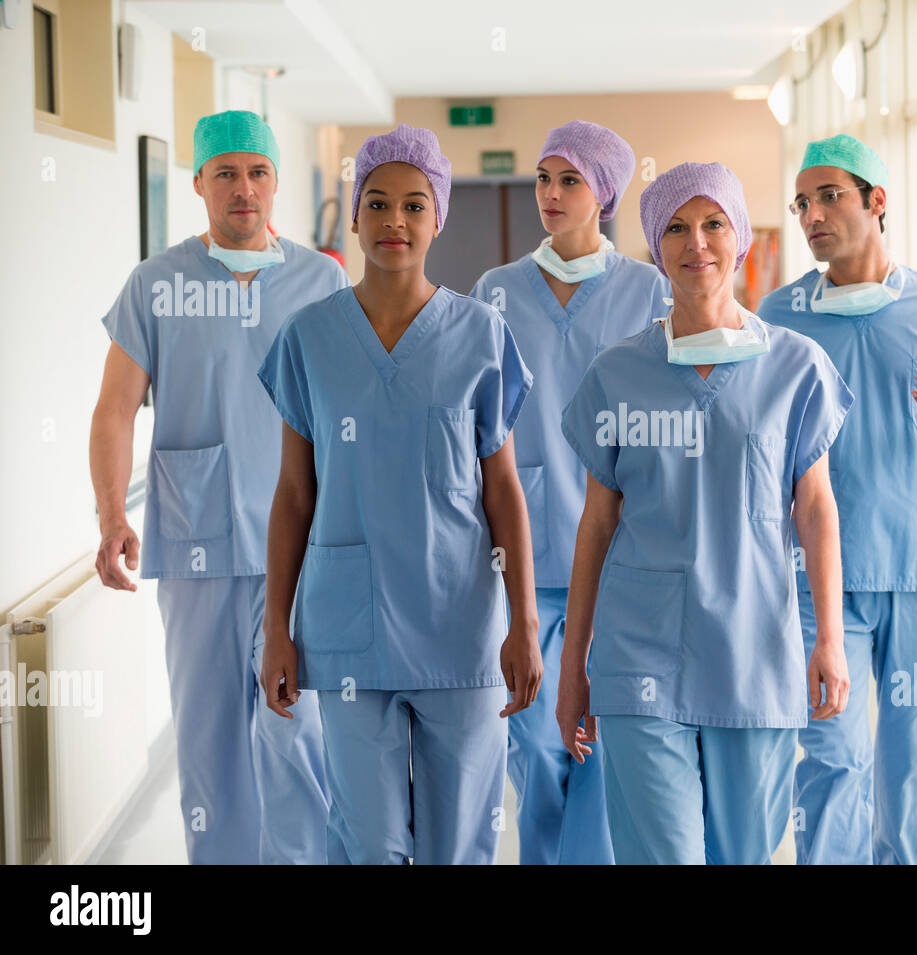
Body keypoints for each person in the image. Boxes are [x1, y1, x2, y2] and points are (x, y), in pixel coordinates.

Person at [257, 124, 543, 865]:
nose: (394, 221)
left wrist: (526, 621)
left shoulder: (482, 336)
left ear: (438, 217)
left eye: (414, 205)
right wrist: (276, 627)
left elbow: (502, 489)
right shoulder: (308, 338)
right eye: (377, 203)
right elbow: (294, 494)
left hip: (461, 626)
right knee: (367, 842)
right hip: (348, 627)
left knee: (460, 841)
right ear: (352, 217)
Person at [555, 161, 854, 864]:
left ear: (741, 237)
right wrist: (575, 669)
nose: (698, 243)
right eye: (677, 229)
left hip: (754, 653)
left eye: (714, 222)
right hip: (638, 657)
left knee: (742, 853)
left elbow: (815, 509)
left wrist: (830, 637)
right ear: (654, 249)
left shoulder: (795, 368)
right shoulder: (616, 373)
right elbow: (595, 526)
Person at [757, 134, 917, 865]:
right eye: (802, 202)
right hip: (820, 581)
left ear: (877, 201)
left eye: (830, 195)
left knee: (914, 757)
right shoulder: (777, 317)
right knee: (832, 757)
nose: (812, 213)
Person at [90, 110, 342, 865]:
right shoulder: (157, 284)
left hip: (299, 550)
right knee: (209, 750)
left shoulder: (320, 279)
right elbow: (113, 411)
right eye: (225, 173)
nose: (243, 188)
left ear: (276, 183)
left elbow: (349, 405)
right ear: (198, 183)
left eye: (258, 171)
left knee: (295, 737)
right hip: (195, 543)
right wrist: (110, 515)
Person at [469, 120, 669, 865]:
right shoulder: (496, 291)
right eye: (543, 179)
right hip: (519, 565)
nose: (549, 195)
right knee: (534, 749)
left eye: (569, 181)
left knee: (604, 749)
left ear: (606, 194)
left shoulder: (650, 291)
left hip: (620, 564)